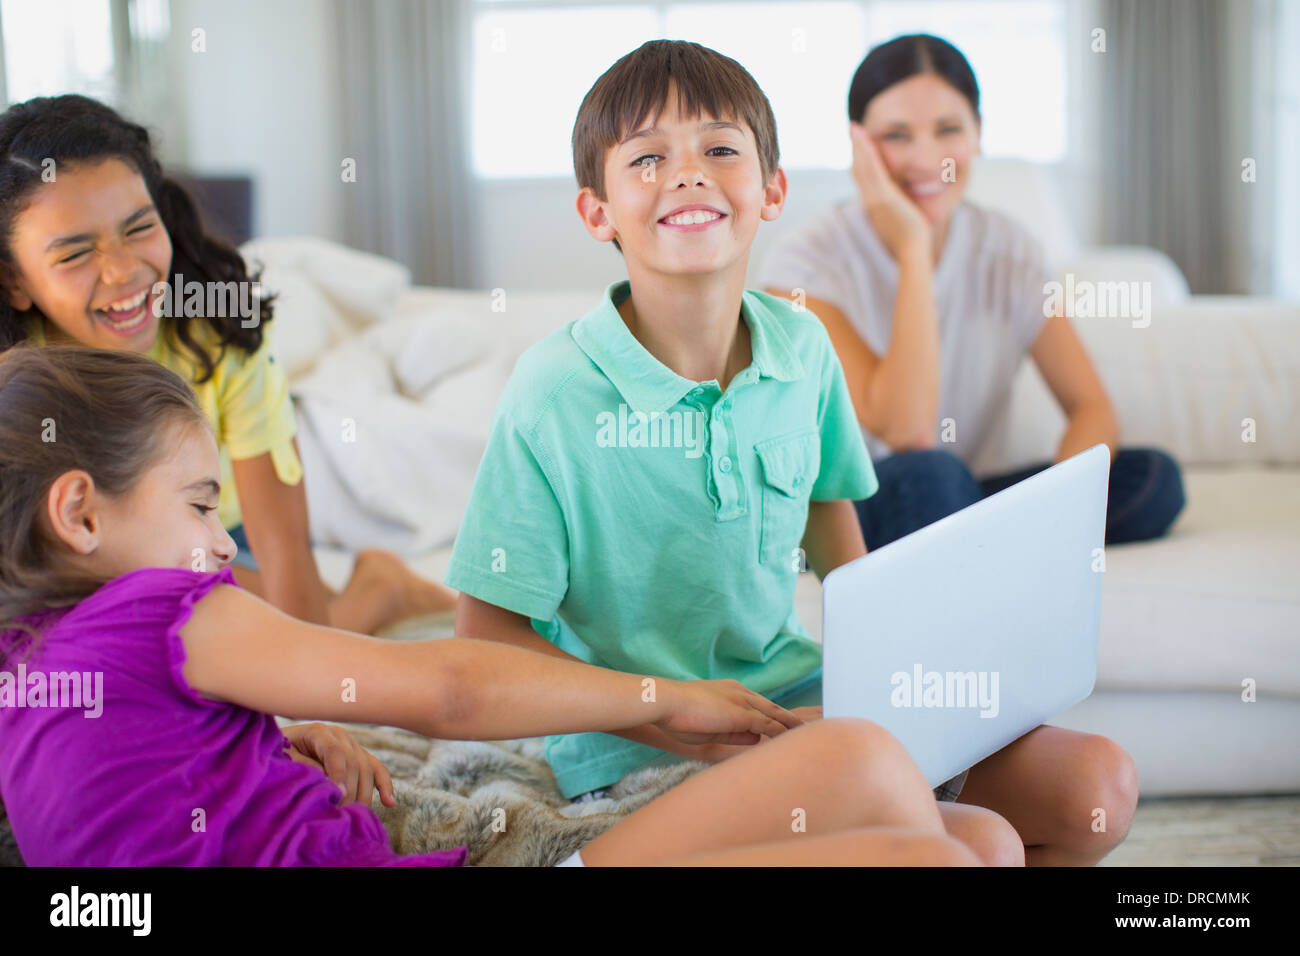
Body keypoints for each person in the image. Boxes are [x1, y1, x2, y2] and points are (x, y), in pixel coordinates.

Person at [445, 39, 1137, 866]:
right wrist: (660, 705)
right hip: (635, 753)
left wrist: (877, 691)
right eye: (650, 157)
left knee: (1099, 788)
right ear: (598, 211)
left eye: (721, 149)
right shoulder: (553, 392)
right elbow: (482, 639)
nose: (690, 173)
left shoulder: (802, 350)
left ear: (771, 191)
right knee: (979, 849)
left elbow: (838, 541)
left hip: (802, 713)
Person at [0, 345, 981, 867]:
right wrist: (660, 698)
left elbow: (130, 797)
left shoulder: (30, 660)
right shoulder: (166, 609)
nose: (221, 543)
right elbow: (452, 687)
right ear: (81, 511)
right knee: (887, 791)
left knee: (974, 840)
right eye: (203, 504)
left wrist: (263, 746)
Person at [0, 94, 454, 635]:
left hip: (215, 536)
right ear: (16, 283)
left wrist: (308, 707)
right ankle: (375, 591)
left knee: (248, 635)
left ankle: (375, 593)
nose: (124, 272)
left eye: (139, 228)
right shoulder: (17, 376)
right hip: (82, 555)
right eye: (75, 254)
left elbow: (283, 544)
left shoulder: (219, 333)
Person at [761, 33, 1185, 551]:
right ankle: (991, 546)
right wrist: (914, 249)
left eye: (949, 130)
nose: (927, 158)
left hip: (962, 495)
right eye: (896, 135)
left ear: (979, 134)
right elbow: (907, 430)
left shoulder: (1008, 248)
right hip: (852, 507)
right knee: (932, 474)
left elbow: (1090, 405)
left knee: (1152, 479)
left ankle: (981, 545)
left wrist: (1063, 498)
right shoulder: (803, 262)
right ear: (859, 147)